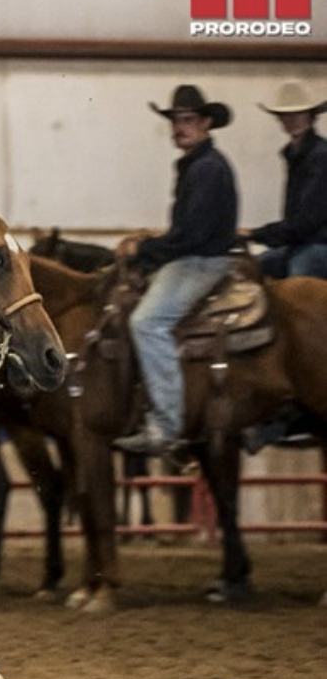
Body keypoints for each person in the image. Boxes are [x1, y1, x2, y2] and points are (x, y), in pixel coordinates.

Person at [114, 85, 240, 456]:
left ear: (205, 123)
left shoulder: (206, 169)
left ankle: (166, 426)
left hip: (202, 262)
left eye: (187, 121)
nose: (178, 129)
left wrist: (144, 250)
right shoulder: (197, 165)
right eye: (174, 122)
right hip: (195, 256)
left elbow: (191, 234)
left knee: (146, 322)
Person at [242, 80, 327, 280]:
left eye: (298, 114)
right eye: (286, 115)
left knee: (297, 287)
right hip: (301, 243)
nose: (291, 120)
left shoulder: (320, 156)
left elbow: (305, 222)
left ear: (310, 116)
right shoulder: (297, 155)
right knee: (250, 268)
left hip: (319, 246)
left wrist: (256, 234)